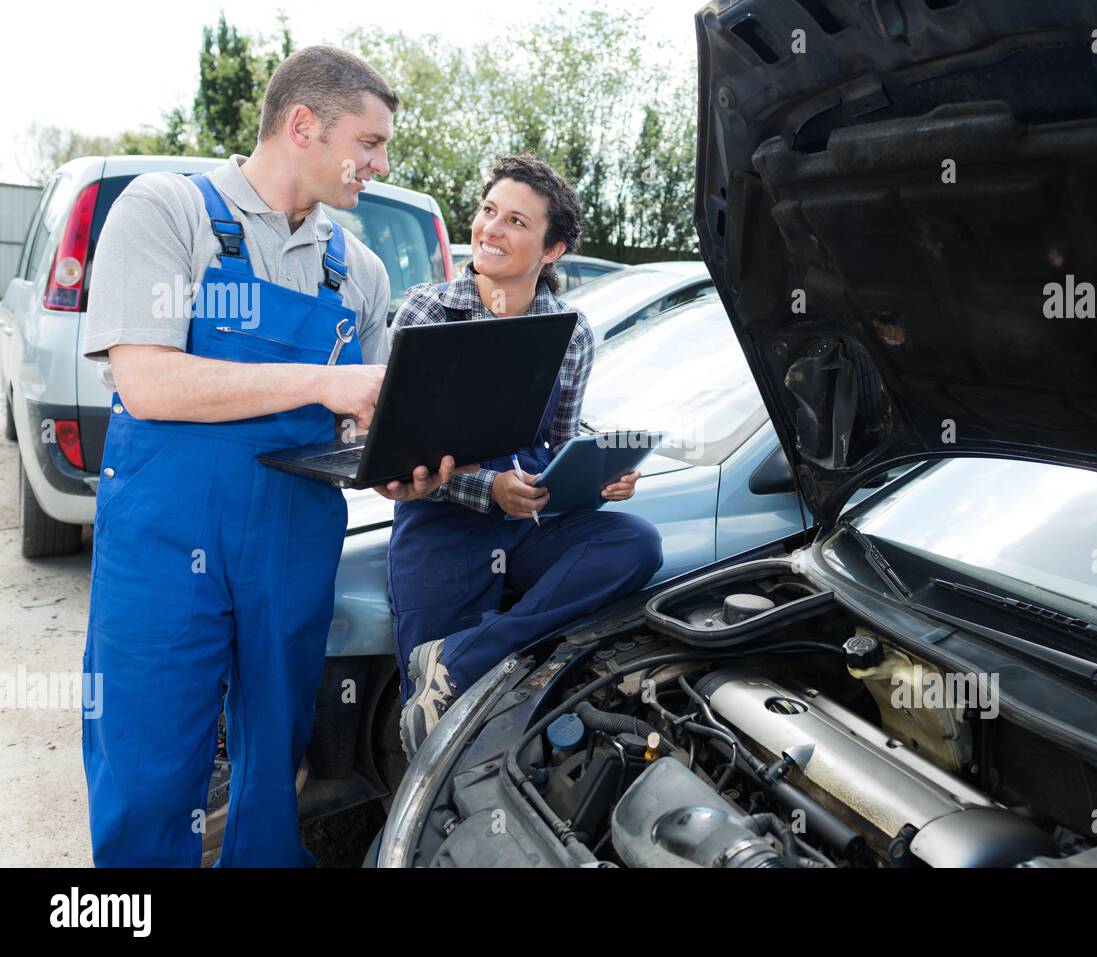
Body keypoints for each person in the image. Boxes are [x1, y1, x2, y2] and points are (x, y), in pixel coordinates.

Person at [81, 46, 458, 867]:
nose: (380, 164)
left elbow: (354, 421)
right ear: (302, 126)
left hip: (291, 537)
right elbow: (145, 381)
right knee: (148, 762)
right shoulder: (168, 212)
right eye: (369, 141)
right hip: (165, 533)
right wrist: (322, 384)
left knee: (274, 762)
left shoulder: (353, 269)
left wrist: (396, 461)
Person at [389, 154, 664, 757]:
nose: (491, 229)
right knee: (432, 730)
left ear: (552, 250)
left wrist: (599, 475)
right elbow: (398, 460)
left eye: (515, 221)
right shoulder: (427, 311)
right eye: (489, 211)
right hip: (442, 529)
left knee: (636, 542)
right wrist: (487, 488)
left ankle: (462, 659)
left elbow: (561, 441)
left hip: (528, 528)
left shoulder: (572, 329)